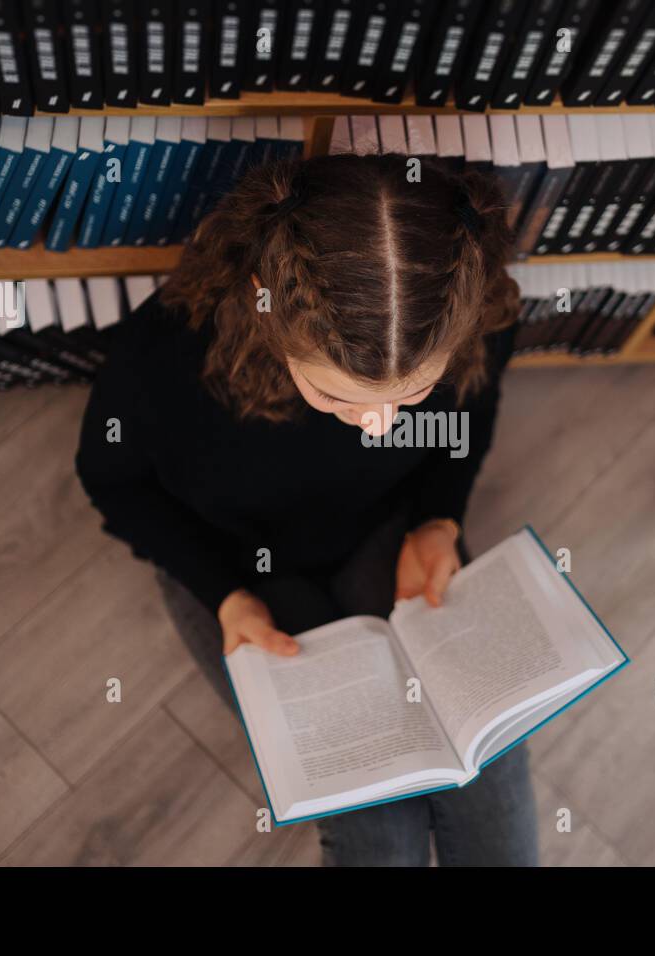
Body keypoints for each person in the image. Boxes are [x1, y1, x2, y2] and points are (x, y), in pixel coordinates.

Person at [75, 151, 537, 866]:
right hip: (234, 563)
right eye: (340, 398)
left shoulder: (475, 314)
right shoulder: (163, 361)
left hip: (388, 526)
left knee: (487, 756)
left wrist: (441, 517)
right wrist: (224, 596)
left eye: (412, 395)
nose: (382, 424)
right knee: (374, 817)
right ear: (267, 304)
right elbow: (115, 483)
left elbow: (472, 411)